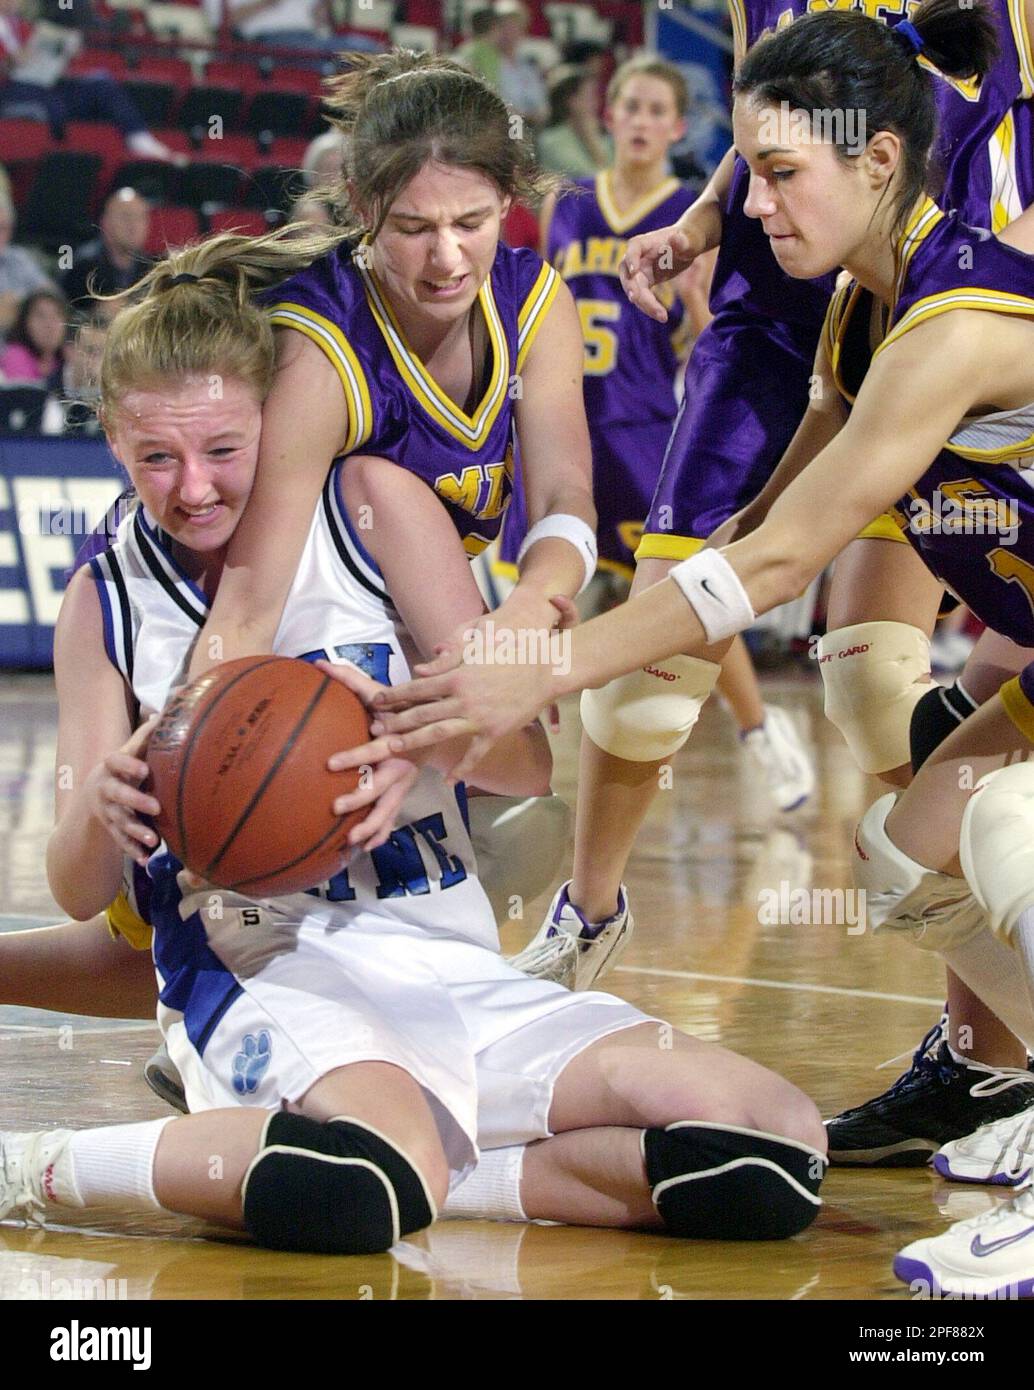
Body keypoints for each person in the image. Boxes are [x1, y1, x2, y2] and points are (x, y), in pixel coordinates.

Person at [0, 234, 827, 1250]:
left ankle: (426, 1168)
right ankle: (33, 1163)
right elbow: (80, 886)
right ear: (116, 446)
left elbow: (525, 764)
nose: (196, 488)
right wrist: (105, 801)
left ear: (277, 418)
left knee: (772, 1147)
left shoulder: (372, 506)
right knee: (373, 1178)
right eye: (157, 458)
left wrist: (419, 732)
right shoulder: (109, 601)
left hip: (447, 958)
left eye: (223, 449)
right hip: (266, 970)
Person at [515, 0, 1034, 1122]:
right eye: (743, 171)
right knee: (902, 847)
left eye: (774, 174)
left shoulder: (954, 321)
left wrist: (542, 669)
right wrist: (574, 644)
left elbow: (776, 566)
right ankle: (1008, 1080)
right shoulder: (859, 312)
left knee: (993, 818)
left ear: (880, 159)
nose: (747, 203)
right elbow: (754, 537)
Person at [184, 52, 599, 741]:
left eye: (470, 223)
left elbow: (565, 495)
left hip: (411, 603)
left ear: (507, 199)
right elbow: (249, 608)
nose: (447, 259)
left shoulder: (535, 302)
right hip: (293, 610)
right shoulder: (320, 352)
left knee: (524, 804)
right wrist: (196, 749)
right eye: (413, 229)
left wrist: (530, 604)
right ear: (361, 201)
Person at [0, 0, 180, 161]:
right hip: (12, 93)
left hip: (43, 87)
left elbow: (43, 59)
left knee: (101, 83)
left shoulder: (23, 26)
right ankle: (61, 161)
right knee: (50, 106)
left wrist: (64, 53)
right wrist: (9, 63)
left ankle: (139, 137)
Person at [61, 188, 151, 308]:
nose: (134, 225)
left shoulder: (152, 270)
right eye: (126, 217)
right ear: (105, 222)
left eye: (140, 217)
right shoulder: (82, 267)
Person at [535, 64, 611, 178]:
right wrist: (592, 141)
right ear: (571, 101)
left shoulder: (602, 136)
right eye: (590, 96)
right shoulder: (551, 142)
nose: (596, 102)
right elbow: (592, 180)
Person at [0, 188, 55, 341]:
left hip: (22, 350)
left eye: (4, 228)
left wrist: (21, 306)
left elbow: (51, 297)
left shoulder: (18, 259)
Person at [0, 285, 66, 387]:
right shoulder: (14, 356)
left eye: (56, 315)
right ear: (25, 322)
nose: (49, 324)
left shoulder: (69, 358)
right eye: (41, 316)